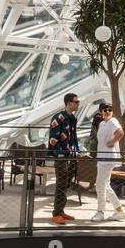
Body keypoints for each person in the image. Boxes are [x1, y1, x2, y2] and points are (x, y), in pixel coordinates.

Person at [47, 92, 81, 224]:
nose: (78, 104)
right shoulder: (59, 117)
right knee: (61, 182)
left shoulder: (72, 118)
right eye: (76, 101)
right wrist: (60, 153)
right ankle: (56, 213)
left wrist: (76, 151)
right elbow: (53, 138)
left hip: (70, 156)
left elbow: (73, 137)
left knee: (66, 183)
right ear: (69, 102)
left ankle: (61, 210)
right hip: (61, 156)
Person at [92, 102, 125, 221]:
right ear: (101, 112)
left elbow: (120, 132)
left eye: (109, 109)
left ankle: (100, 212)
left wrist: (112, 142)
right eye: (104, 109)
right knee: (105, 185)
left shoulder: (113, 121)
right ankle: (119, 211)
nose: (107, 111)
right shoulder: (102, 124)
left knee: (100, 185)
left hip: (108, 158)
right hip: (102, 158)